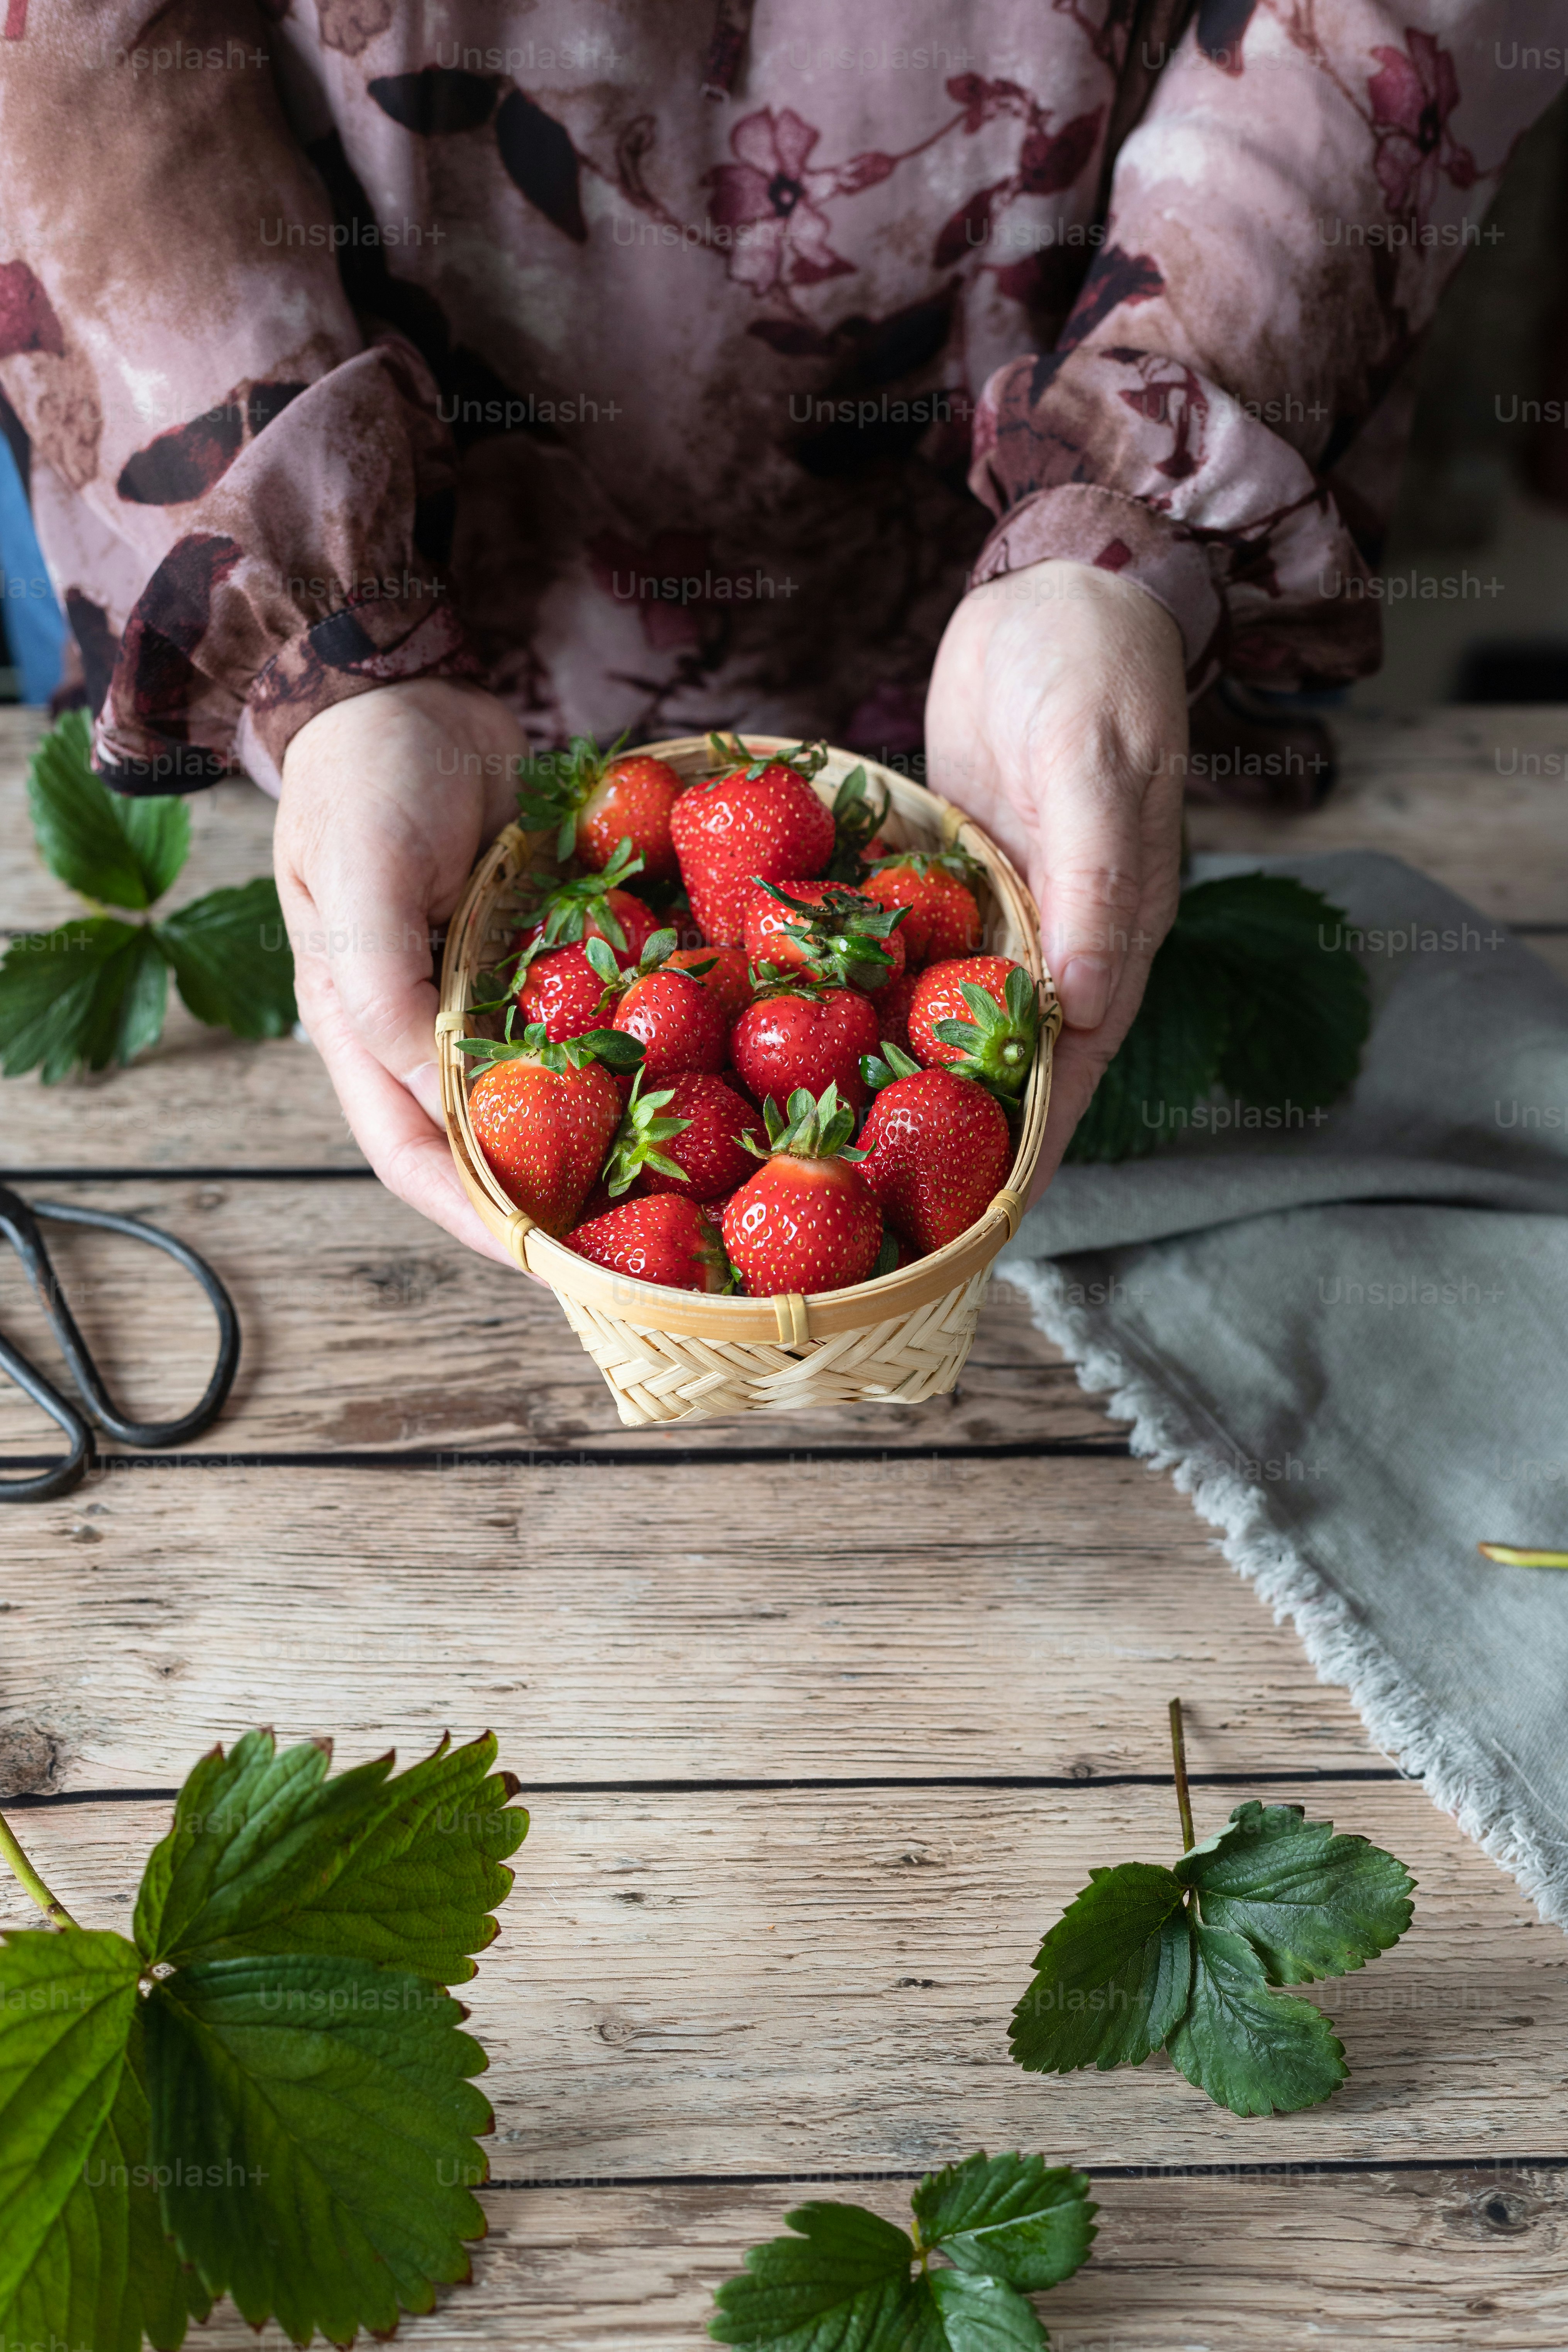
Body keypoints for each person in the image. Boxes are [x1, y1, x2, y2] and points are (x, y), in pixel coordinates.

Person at [0, 3, 1554, 1259]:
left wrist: (1123, 529)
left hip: (1049, 408)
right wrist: (318, 647)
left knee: (1069, 843)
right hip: (358, 398)